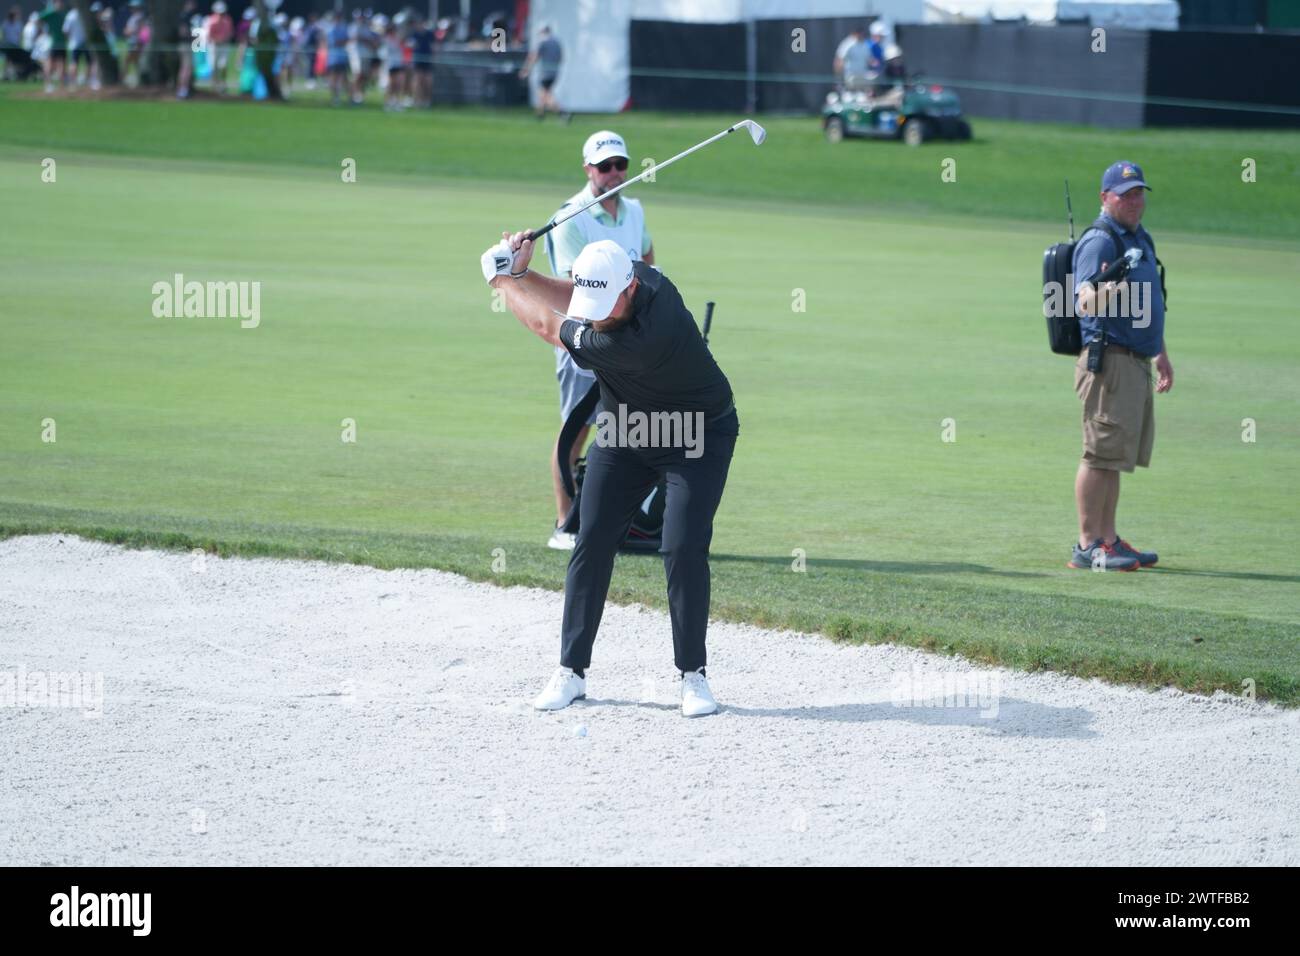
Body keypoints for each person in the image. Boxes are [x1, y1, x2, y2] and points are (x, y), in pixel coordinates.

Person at [481, 234, 740, 718]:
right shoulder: (636, 276)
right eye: (590, 302)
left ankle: (693, 677)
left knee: (681, 545)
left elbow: (545, 325)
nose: (594, 314)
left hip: (696, 435)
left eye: (603, 305)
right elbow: (569, 295)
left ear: (628, 291)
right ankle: (571, 672)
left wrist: (499, 278)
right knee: (592, 538)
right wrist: (522, 273)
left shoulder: (640, 337)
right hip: (628, 429)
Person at [542, 130, 655, 550]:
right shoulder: (572, 217)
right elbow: (576, 288)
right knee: (577, 430)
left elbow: (646, 262)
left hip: (630, 342)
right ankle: (563, 524)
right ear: (589, 169)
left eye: (620, 165)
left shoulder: (636, 210)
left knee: (629, 429)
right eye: (604, 166)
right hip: (583, 340)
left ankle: (619, 521)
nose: (614, 173)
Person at [1069, 160, 1173, 571]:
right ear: (1104, 197)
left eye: (1139, 193)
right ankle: (1087, 545)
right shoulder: (1101, 242)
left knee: (1114, 457)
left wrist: (1160, 351)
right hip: (1108, 361)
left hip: (1135, 360)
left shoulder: (1137, 237)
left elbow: (1150, 303)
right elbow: (1084, 302)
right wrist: (1116, 278)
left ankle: (1109, 540)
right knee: (1098, 455)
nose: (1134, 201)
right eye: (1125, 194)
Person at [518, 23, 564, 121]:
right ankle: (540, 115)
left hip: (545, 73)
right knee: (543, 93)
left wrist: (526, 70)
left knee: (545, 94)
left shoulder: (543, 42)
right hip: (555, 72)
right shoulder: (556, 42)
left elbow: (534, 57)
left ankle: (561, 112)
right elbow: (561, 58)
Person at [38, 0, 66, 91]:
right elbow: (39, 18)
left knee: (62, 64)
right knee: (49, 63)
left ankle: (61, 85)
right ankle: (48, 84)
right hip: (53, 43)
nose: (60, 4)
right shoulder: (51, 13)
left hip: (62, 43)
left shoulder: (63, 14)